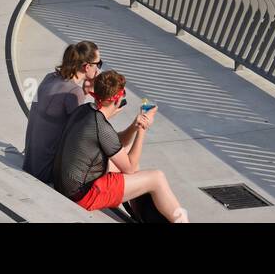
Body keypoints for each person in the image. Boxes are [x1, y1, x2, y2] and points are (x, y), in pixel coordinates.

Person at [53, 69, 188, 222]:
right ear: (117, 101)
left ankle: (140, 216)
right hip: (83, 195)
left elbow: (111, 143)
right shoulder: (101, 127)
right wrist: (143, 129)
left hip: (68, 184)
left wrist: (134, 126)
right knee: (157, 177)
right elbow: (128, 167)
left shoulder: (85, 111)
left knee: (130, 156)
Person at [22, 41, 101, 183]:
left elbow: (56, 113)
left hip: (30, 162)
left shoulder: (50, 78)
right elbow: (83, 136)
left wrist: (84, 91)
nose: (99, 70)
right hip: (46, 171)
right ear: (87, 66)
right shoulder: (74, 92)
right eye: (98, 64)